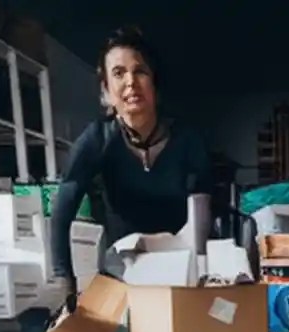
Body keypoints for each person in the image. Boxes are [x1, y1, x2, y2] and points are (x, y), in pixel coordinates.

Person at [49, 26, 212, 303]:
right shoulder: (96, 140)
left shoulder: (187, 141)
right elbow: (62, 213)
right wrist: (64, 281)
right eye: (118, 73)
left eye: (140, 71)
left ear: (155, 84)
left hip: (179, 274)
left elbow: (206, 216)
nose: (130, 82)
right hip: (121, 275)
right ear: (106, 92)